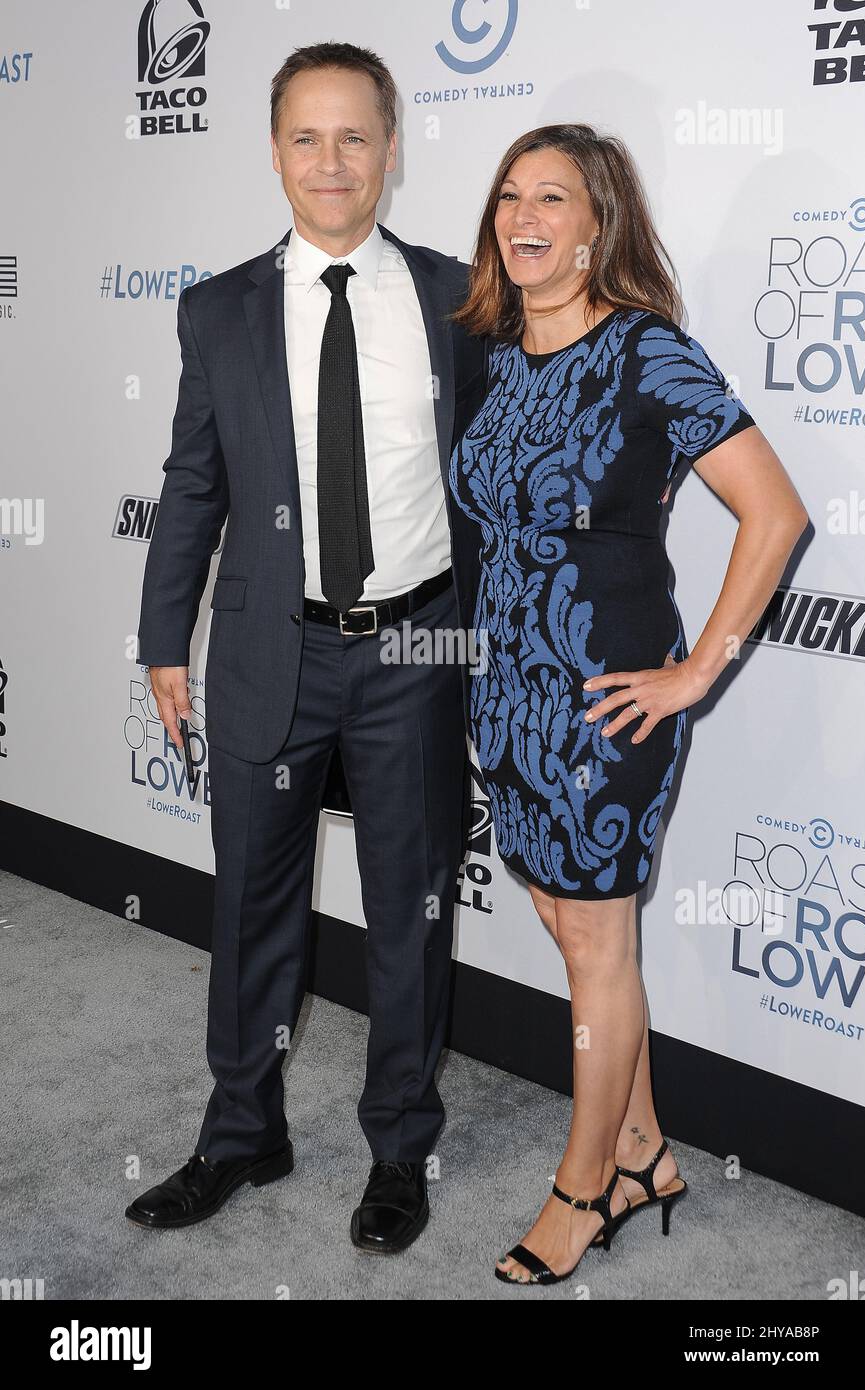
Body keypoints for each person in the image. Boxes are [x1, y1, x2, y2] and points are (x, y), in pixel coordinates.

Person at [130, 42, 486, 1255]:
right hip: (265, 654)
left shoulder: (458, 298)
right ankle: (242, 1132)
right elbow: (193, 485)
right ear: (273, 149)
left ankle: (399, 1145)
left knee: (407, 912)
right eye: (304, 137)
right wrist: (160, 635)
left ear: (391, 149)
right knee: (252, 911)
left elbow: (496, 481)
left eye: (353, 137)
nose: (329, 162)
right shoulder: (216, 307)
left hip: (415, 651)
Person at [448, 123, 808, 1285]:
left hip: (607, 699)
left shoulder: (649, 354)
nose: (523, 216)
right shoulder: (498, 357)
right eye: (509, 196)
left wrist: (699, 667)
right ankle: (646, 1146)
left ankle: (582, 1187)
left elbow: (775, 513)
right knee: (566, 926)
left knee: (596, 941)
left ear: (598, 223)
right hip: (505, 692)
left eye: (551, 197)